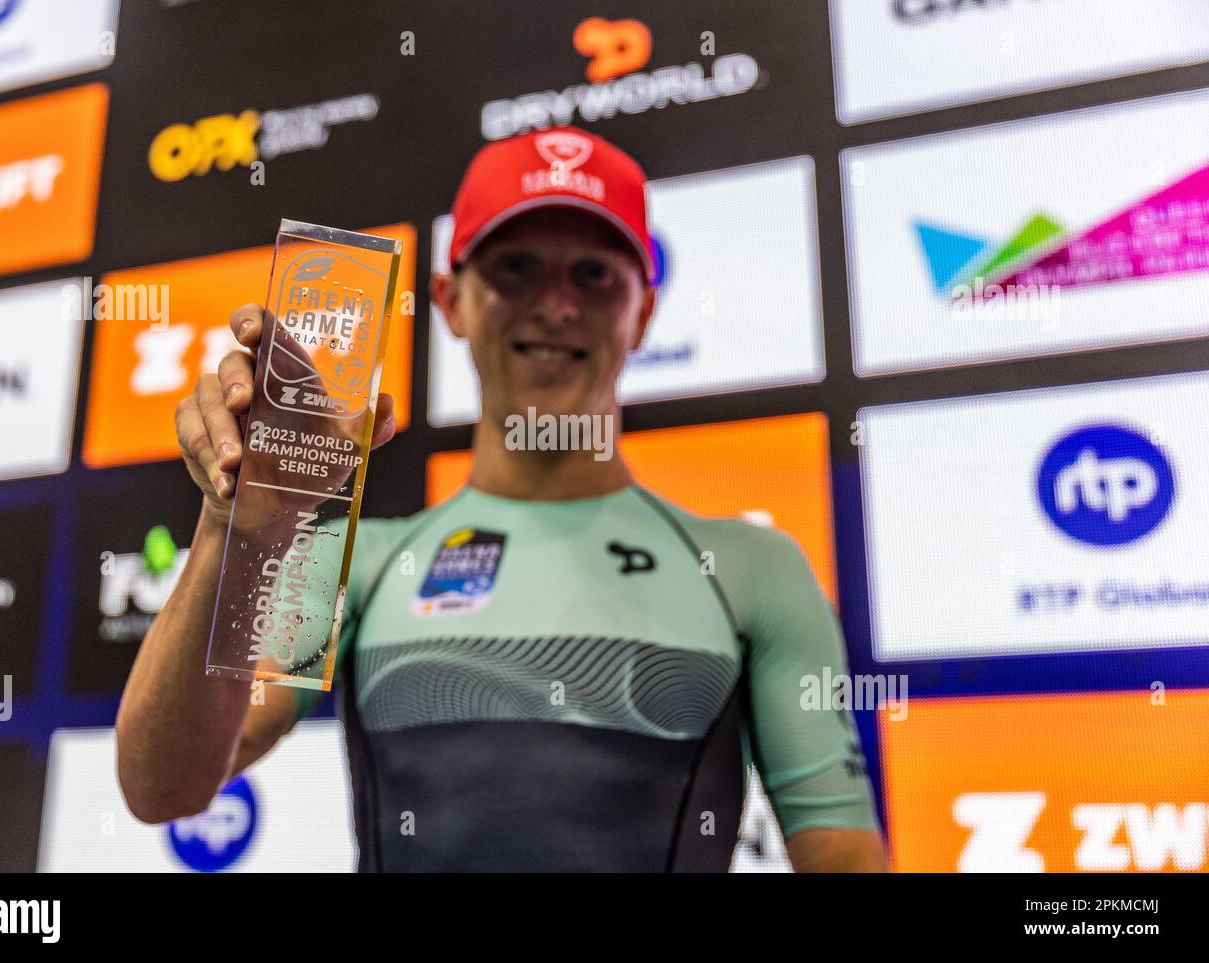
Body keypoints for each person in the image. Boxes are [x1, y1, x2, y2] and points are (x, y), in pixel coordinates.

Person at [116, 126, 889, 872]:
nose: (555, 305)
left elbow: (846, 862)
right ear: (451, 301)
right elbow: (164, 786)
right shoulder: (360, 563)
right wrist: (233, 528)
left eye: (593, 274)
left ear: (643, 310)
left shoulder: (752, 572)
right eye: (515, 267)